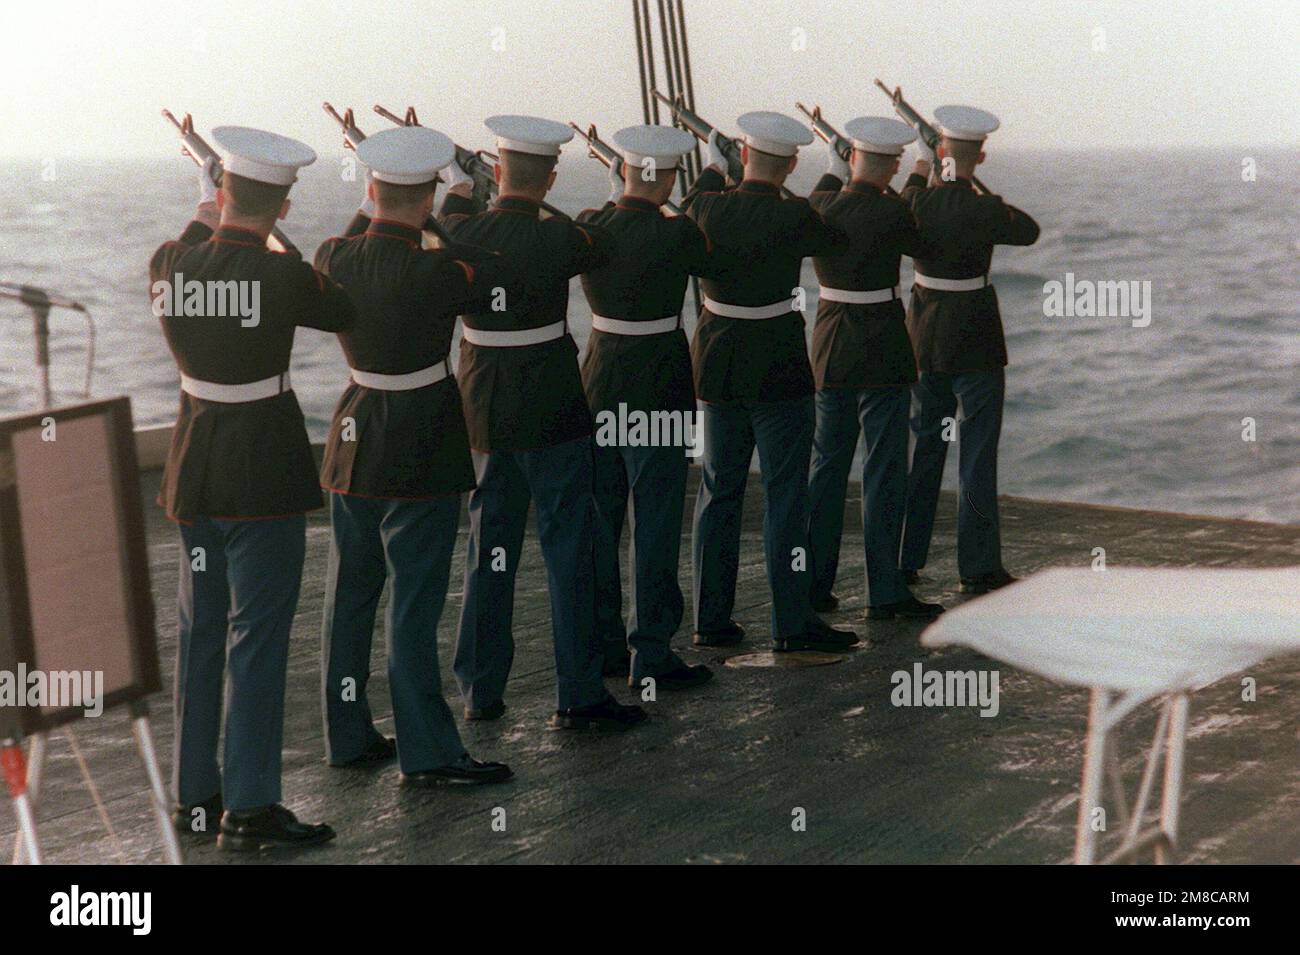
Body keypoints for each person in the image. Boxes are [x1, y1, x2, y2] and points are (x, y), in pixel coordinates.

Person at [151, 126, 348, 851]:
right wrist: (271, 237)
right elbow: (341, 307)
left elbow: (186, 255)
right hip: (261, 475)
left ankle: (195, 799)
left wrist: (204, 206)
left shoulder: (170, 265)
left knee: (200, 633)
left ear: (222, 191)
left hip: (193, 469)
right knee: (255, 639)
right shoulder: (283, 275)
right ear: (286, 204)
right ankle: (254, 805)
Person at [315, 125, 513, 787]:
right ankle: (427, 750)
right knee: (413, 603)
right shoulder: (438, 266)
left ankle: (346, 733)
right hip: (421, 437)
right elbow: (486, 278)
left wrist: (383, 196)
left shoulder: (333, 256)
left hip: (354, 430)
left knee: (350, 594)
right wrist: (456, 204)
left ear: (370, 191)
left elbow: (350, 241)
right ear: (426, 197)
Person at [442, 114, 647, 730]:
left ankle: (481, 688)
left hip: (483, 405)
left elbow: (450, 224)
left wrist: (460, 185)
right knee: (569, 550)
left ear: (495, 171)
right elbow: (598, 243)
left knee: (489, 546)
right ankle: (579, 692)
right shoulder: (565, 240)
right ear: (551, 175)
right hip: (553, 405)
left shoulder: (459, 230)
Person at [683, 112, 858, 653]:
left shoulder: (707, 206)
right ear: (790, 164)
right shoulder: (794, 214)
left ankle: (711, 619)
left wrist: (716, 168)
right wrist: (833, 175)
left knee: (718, 492)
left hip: (717, 365)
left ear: (743, 155)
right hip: (778, 368)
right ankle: (791, 622)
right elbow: (833, 234)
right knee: (785, 498)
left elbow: (691, 206)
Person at [577, 124, 714, 691]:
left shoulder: (591, 226)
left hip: (603, 377)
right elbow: (702, 241)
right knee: (654, 521)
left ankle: (605, 642)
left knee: (603, 519)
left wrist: (619, 195)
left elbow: (614, 223)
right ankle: (650, 650)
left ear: (624, 171)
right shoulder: (678, 235)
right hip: (658, 379)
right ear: (672, 176)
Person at [806, 117, 945, 620]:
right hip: (881, 346)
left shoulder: (820, 205)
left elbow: (818, 203)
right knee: (883, 471)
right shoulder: (890, 209)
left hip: (830, 342)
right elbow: (917, 231)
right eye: (898, 161)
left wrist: (830, 172)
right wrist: (926, 167)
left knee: (826, 469)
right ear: (888, 164)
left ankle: (814, 585)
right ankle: (884, 590)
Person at [898, 106, 1040, 594]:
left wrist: (924, 168)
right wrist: (979, 188)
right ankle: (977, 565)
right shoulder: (984, 209)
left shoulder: (915, 202)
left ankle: (904, 556)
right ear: (981, 156)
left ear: (938, 152)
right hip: (976, 340)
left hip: (924, 337)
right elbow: (1028, 229)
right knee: (977, 455)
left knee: (924, 451)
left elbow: (904, 204)